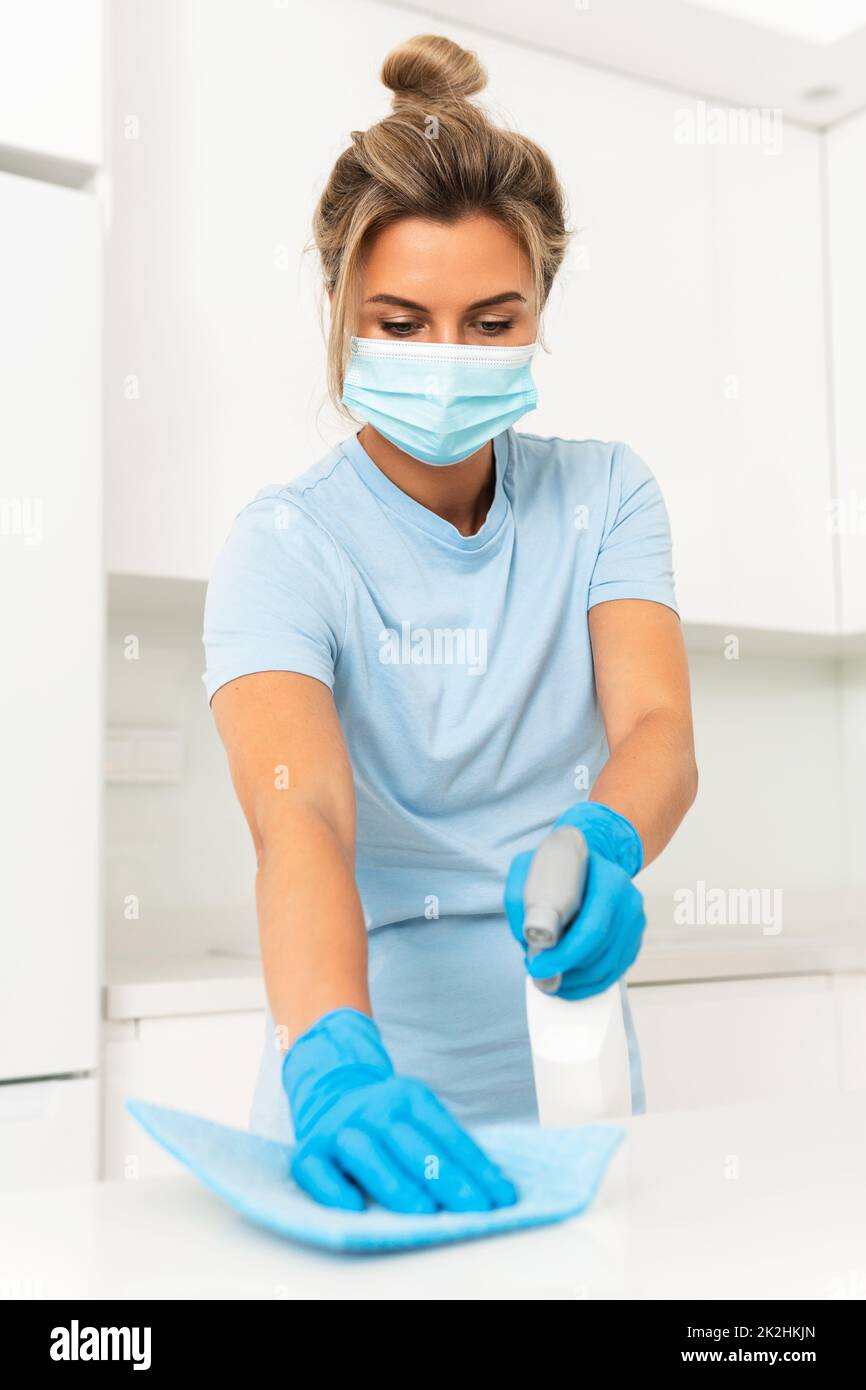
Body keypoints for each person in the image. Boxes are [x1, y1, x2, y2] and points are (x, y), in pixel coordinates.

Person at [203, 33, 697, 1215]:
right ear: (338, 308)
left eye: (489, 322)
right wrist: (329, 1056)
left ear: (537, 311)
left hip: (571, 1073)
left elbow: (657, 731)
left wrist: (605, 838)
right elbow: (303, 815)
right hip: (364, 1079)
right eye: (401, 319)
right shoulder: (284, 546)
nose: (445, 360)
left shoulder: (604, 495)